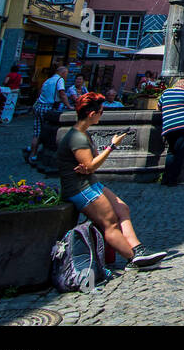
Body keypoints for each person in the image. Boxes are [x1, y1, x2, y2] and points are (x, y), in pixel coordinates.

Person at [57, 93, 167, 268]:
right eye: (101, 112)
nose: (102, 114)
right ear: (91, 114)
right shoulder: (77, 137)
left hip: (90, 182)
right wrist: (111, 146)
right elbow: (91, 166)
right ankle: (133, 258)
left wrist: (88, 166)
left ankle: (138, 248)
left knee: (122, 208)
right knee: (110, 222)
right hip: (80, 189)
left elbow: (88, 166)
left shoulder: (82, 134)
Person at [25, 65, 68, 165]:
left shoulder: (48, 80)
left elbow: (40, 92)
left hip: (39, 106)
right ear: (62, 73)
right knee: (48, 131)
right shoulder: (59, 80)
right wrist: (68, 106)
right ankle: (41, 153)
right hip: (48, 107)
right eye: (66, 74)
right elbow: (62, 93)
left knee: (37, 132)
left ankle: (32, 153)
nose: (66, 76)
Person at [158, 79, 184, 186]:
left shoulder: (166, 92)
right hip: (183, 124)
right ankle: (173, 179)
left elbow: (159, 106)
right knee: (179, 153)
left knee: (171, 151)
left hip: (168, 125)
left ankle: (165, 178)